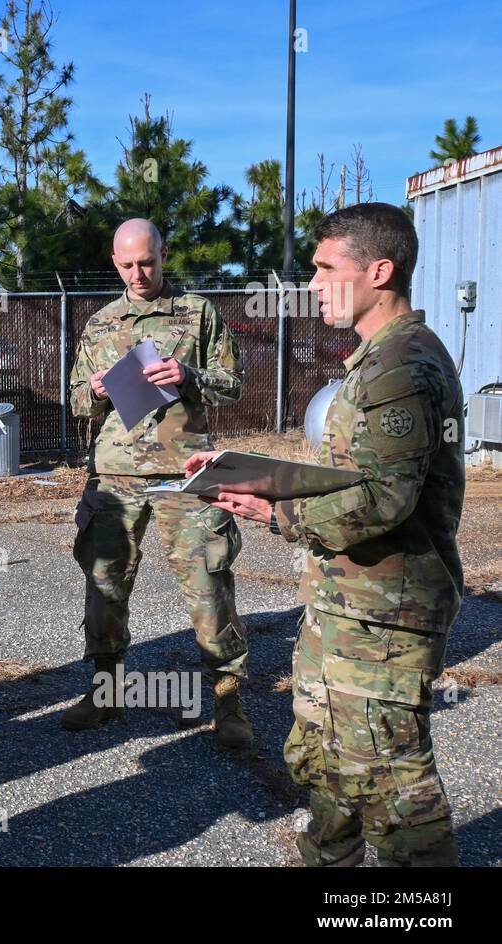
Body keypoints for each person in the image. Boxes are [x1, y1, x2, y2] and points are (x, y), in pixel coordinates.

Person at [192, 202, 463, 866]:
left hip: (384, 618)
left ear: (379, 270)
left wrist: (274, 510)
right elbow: (356, 474)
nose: (311, 284)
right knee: (327, 767)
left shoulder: (403, 366)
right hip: (346, 606)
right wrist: (257, 473)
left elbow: (383, 500)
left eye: (323, 268)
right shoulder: (377, 359)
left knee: (394, 791)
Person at [63, 219, 252, 751]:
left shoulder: (198, 313)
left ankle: (227, 698)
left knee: (208, 585)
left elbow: (234, 385)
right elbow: (75, 398)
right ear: (114, 262)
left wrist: (188, 377)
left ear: (164, 254)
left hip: (186, 475)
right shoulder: (100, 323)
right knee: (104, 587)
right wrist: (96, 390)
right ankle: (105, 692)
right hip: (114, 476)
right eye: (126, 264)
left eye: (146, 261)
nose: (138, 273)